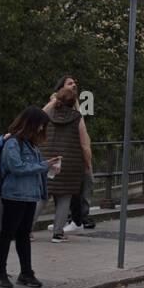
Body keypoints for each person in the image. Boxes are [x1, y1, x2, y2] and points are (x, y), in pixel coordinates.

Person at [0, 107, 59, 288]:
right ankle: (0, 274)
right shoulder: (13, 143)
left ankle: (26, 272)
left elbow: (32, 167)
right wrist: (43, 165)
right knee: (7, 234)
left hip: (30, 195)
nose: (41, 129)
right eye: (40, 125)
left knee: (23, 234)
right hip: (14, 195)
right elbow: (17, 167)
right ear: (31, 124)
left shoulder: (31, 144)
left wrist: (49, 167)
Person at [44, 76, 94, 230]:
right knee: (62, 190)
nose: (74, 85)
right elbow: (40, 116)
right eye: (69, 83)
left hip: (70, 154)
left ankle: (75, 220)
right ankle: (70, 221)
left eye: (74, 83)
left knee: (74, 189)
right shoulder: (54, 104)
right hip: (64, 154)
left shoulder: (75, 104)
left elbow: (82, 130)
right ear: (60, 88)